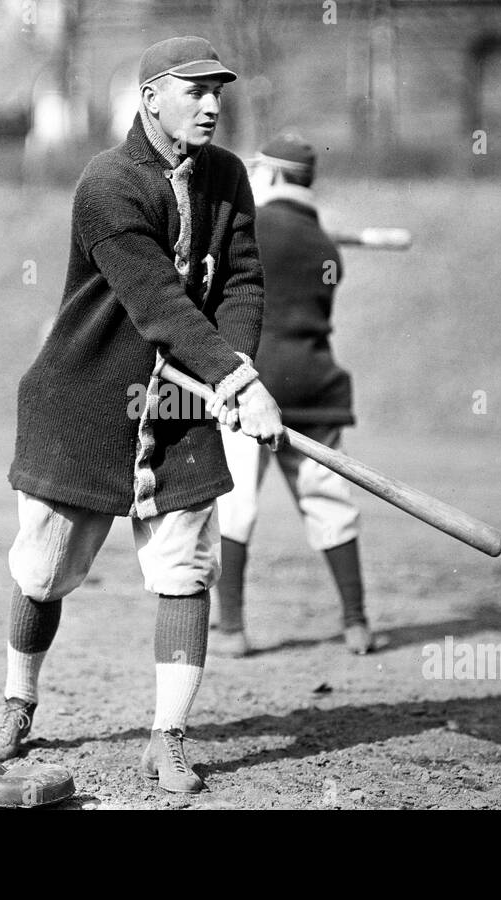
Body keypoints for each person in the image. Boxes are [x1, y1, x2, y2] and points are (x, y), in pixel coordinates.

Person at [0, 36, 284, 795]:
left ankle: (167, 738)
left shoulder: (229, 177)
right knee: (43, 570)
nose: (212, 105)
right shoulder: (105, 183)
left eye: (219, 92)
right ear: (149, 98)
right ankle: (18, 703)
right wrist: (237, 382)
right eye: (194, 91)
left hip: (179, 407)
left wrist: (229, 374)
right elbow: (158, 302)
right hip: (81, 400)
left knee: (185, 569)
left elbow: (240, 283)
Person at [211, 135, 374, 658]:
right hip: (314, 384)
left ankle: (232, 628)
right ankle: (356, 623)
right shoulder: (323, 244)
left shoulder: (249, 225)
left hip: (251, 384)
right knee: (329, 500)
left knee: (236, 503)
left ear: (275, 176)